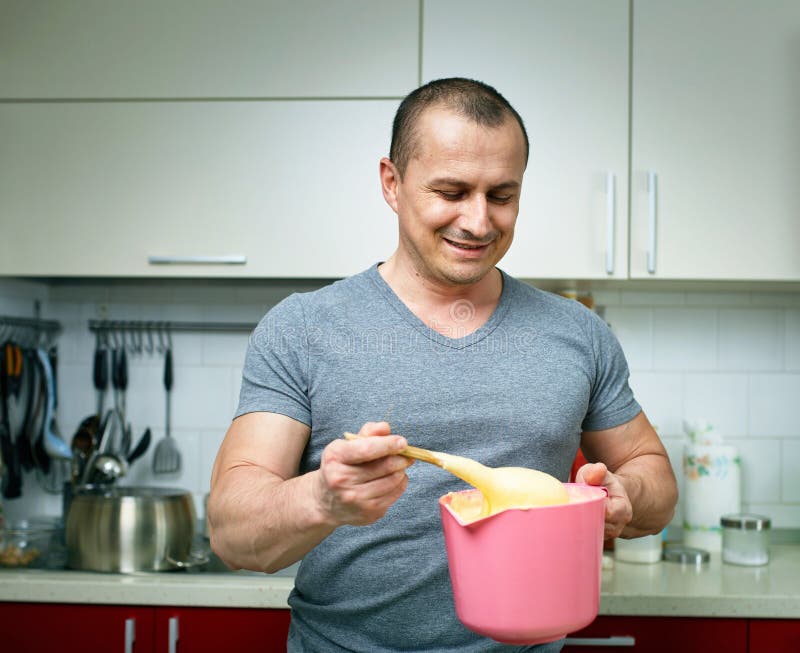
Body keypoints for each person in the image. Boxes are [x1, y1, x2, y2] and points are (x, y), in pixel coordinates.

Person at [208, 77, 678, 652]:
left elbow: (652, 474)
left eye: (501, 195)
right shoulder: (304, 329)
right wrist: (322, 499)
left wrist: (628, 494)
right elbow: (231, 533)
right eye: (451, 191)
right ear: (392, 183)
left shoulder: (578, 332)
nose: (479, 222)